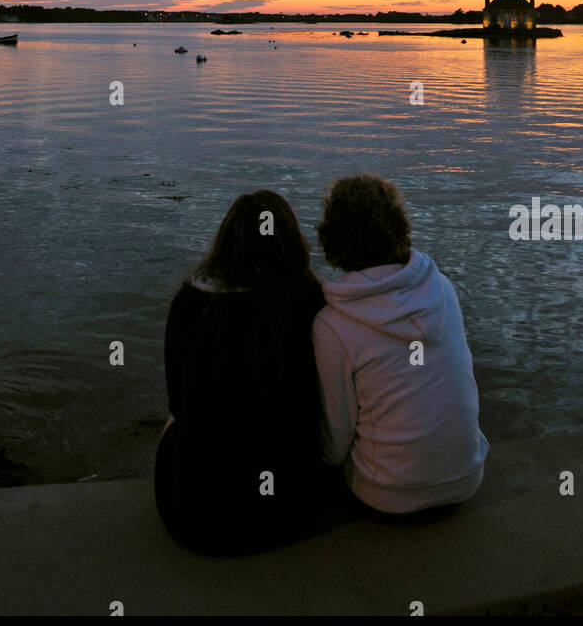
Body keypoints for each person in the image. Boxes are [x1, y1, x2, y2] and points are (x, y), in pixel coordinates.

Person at [154, 189, 329, 555]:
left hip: (195, 519)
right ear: (290, 242)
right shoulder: (308, 301)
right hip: (287, 514)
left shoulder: (190, 303)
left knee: (175, 424)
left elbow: (178, 402)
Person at [313, 174, 488, 520]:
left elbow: (335, 445)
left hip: (386, 498)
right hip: (466, 481)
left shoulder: (332, 324)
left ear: (331, 236)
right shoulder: (442, 289)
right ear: (398, 225)